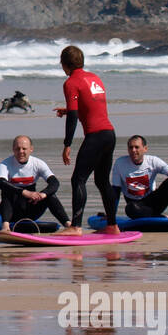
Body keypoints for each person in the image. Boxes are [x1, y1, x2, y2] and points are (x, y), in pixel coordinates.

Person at [54, 45, 119, 234]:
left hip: (96, 136)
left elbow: (74, 116)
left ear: (64, 65)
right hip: (109, 134)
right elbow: (92, 105)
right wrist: (67, 110)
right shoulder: (94, 78)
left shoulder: (70, 83)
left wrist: (67, 144)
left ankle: (75, 226)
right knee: (102, 181)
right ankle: (112, 226)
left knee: (78, 179)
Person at [0, 135, 69, 232]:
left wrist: (43, 194)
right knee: (7, 192)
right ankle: (5, 227)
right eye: (18, 149)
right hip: (12, 212)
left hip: (32, 209)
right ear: (13, 149)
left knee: (50, 195)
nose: (21, 151)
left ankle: (68, 224)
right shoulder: (5, 164)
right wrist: (25, 193)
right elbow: (1, 183)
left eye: (24, 149)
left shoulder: (38, 163)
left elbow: (54, 183)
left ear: (31, 149)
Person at [109, 135, 168, 219]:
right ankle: (160, 217)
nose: (133, 150)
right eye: (131, 147)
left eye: (136, 147)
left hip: (153, 202)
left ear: (145, 149)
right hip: (136, 206)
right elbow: (116, 191)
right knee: (130, 208)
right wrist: (111, 215)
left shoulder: (153, 161)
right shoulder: (120, 163)